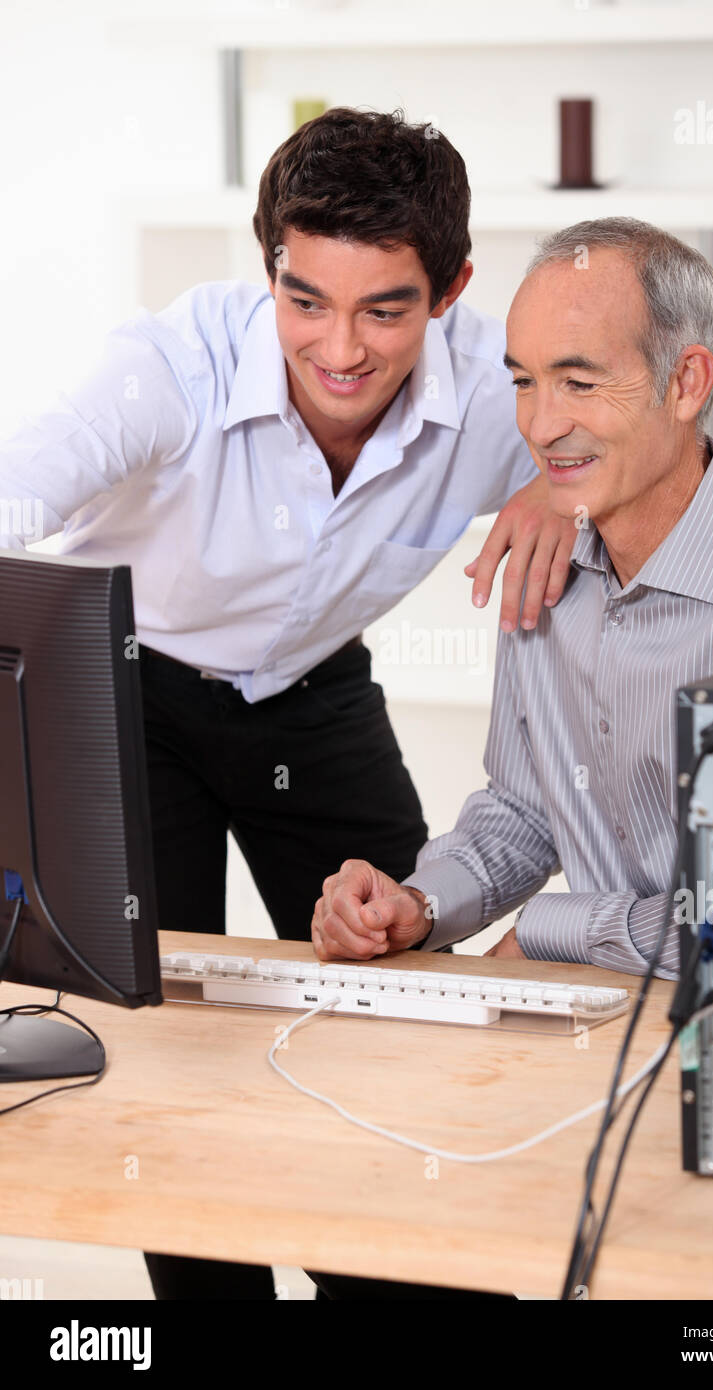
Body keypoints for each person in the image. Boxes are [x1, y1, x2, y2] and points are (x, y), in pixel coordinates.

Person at [0, 108, 576, 1300]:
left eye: (385, 309)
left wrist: (560, 490)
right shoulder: (172, 363)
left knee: (392, 982)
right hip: (131, 701)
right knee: (155, 1030)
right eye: (304, 299)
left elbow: (647, 434)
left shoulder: (491, 392)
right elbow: (19, 487)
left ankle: (402, 1275)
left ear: (452, 289)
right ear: (268, 268)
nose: (341, 349)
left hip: (314, 700)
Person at [312, 216, 713, 977]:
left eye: (578, 382)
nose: (541, 425)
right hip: (589, 1036)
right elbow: (524, 812)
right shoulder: (549, 560)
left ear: (687, 383)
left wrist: (554, 927)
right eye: (524, 382)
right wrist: (417, 906)